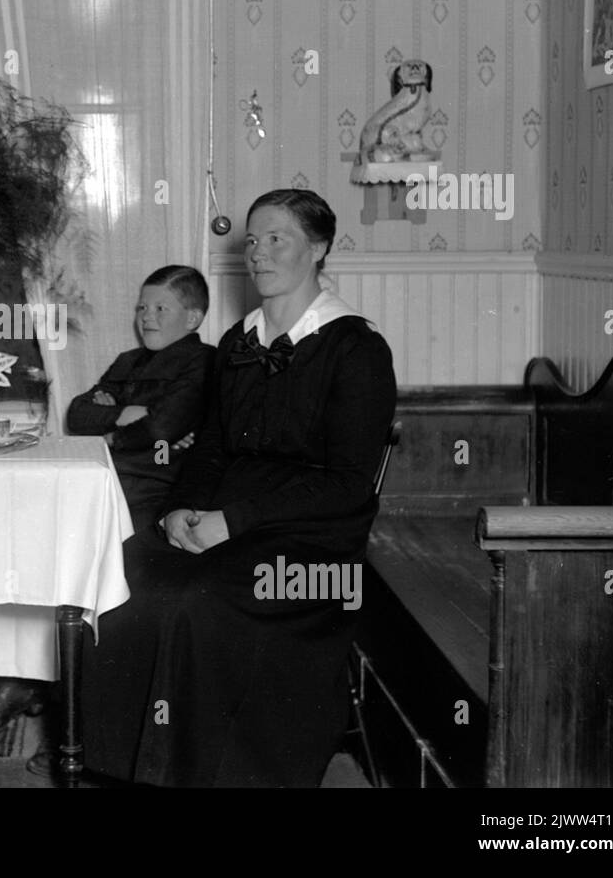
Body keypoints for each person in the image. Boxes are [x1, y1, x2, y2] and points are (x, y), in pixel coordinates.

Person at [79, 189, 396, 786]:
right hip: (229, 518)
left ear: (320, 247)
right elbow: (213, 451)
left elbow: (349, 485)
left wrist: (234, 521)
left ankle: (209, 772)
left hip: (313, 542)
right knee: (119, 573)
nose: (259, 252)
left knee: (197, 603)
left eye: (277, 238)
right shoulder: (237, 344)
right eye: (253, 240)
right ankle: (125, 762)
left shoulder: (356, 347)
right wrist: (177, 510)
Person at [0, 265, 215, 746]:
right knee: (27, 539)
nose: (147, 317)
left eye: (161, 308)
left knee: (76, 560)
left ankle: (66, 710)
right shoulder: (127, 361)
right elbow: (78, 414)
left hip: (157, 495)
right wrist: (122, 416)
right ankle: (27, 681)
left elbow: (162, 430)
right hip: (106, 481)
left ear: (194, 317)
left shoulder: (203, 364)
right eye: (142, 307)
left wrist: (117, 422)